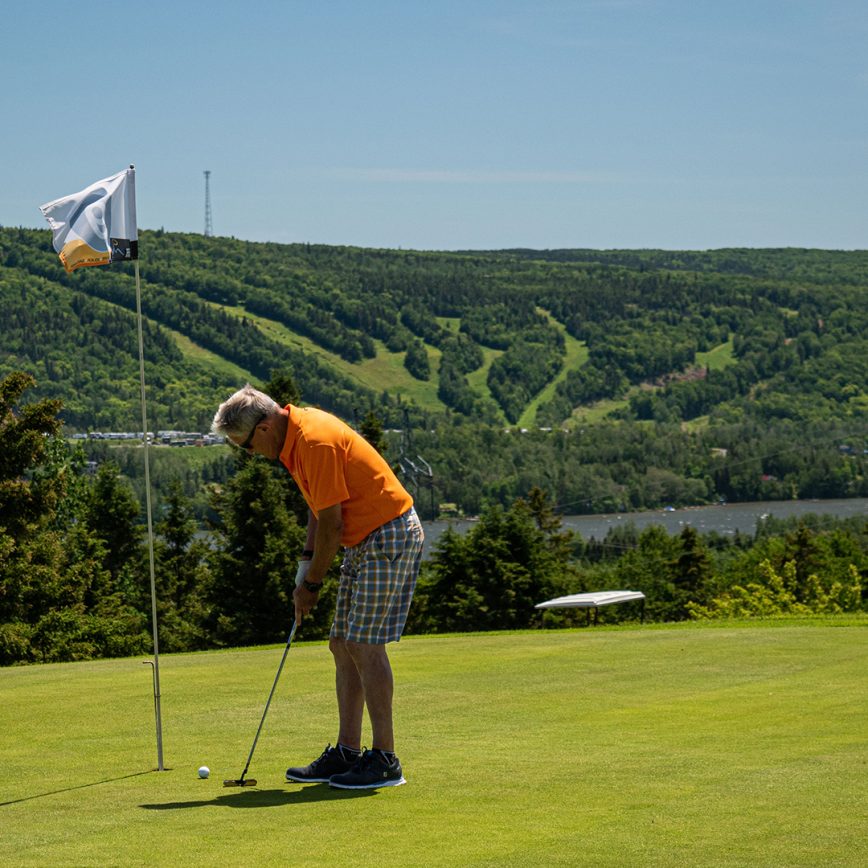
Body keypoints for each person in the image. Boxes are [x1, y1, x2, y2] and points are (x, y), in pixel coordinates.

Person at [211, 385, 424, 789]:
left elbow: (332, 523)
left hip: (388, 533)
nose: (250, 455)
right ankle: (348, 751)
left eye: (246, 446)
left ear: (264, 427)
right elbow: (319, 507)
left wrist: (311, 584)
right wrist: (306, 560)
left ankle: (385, 760)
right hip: (364, 539)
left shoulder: (313, 441)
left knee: (364, 644)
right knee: (342, 643)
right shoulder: (293, 442)